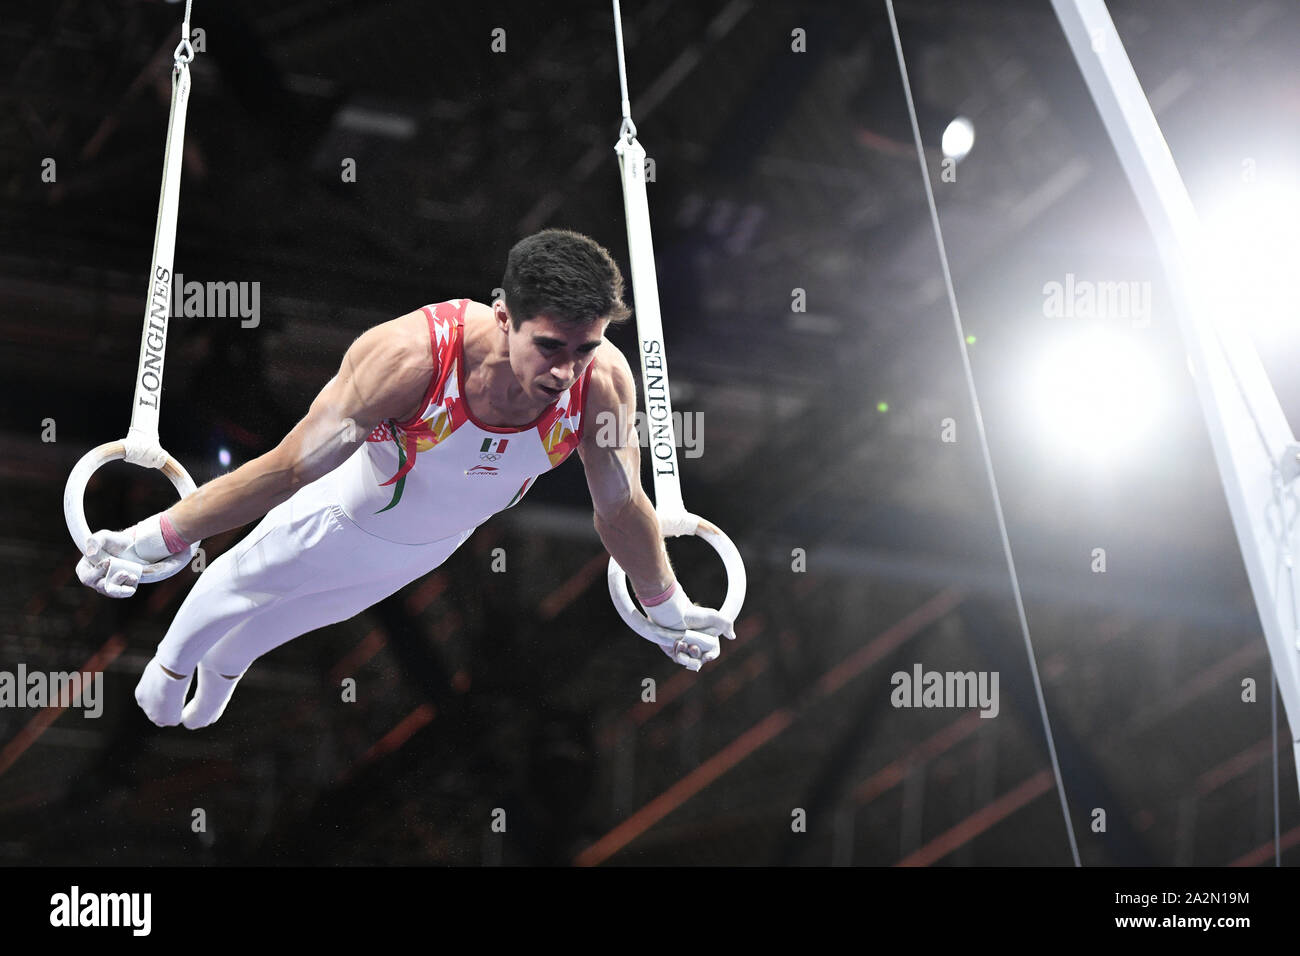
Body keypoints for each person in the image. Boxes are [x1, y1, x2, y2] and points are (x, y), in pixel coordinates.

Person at [76, 229, 735, 729]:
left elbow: (620, 511)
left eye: (585, 348)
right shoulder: (412, 359)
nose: (566, 372)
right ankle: (171, 662)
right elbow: (289, 467)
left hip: (432, 543)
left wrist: (666, 603)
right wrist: (155, 538)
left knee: (309, 613)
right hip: (338, 512)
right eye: (550, 347)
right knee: (245, 582)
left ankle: (224, 665)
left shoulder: (604, 385)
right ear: (504, 316)